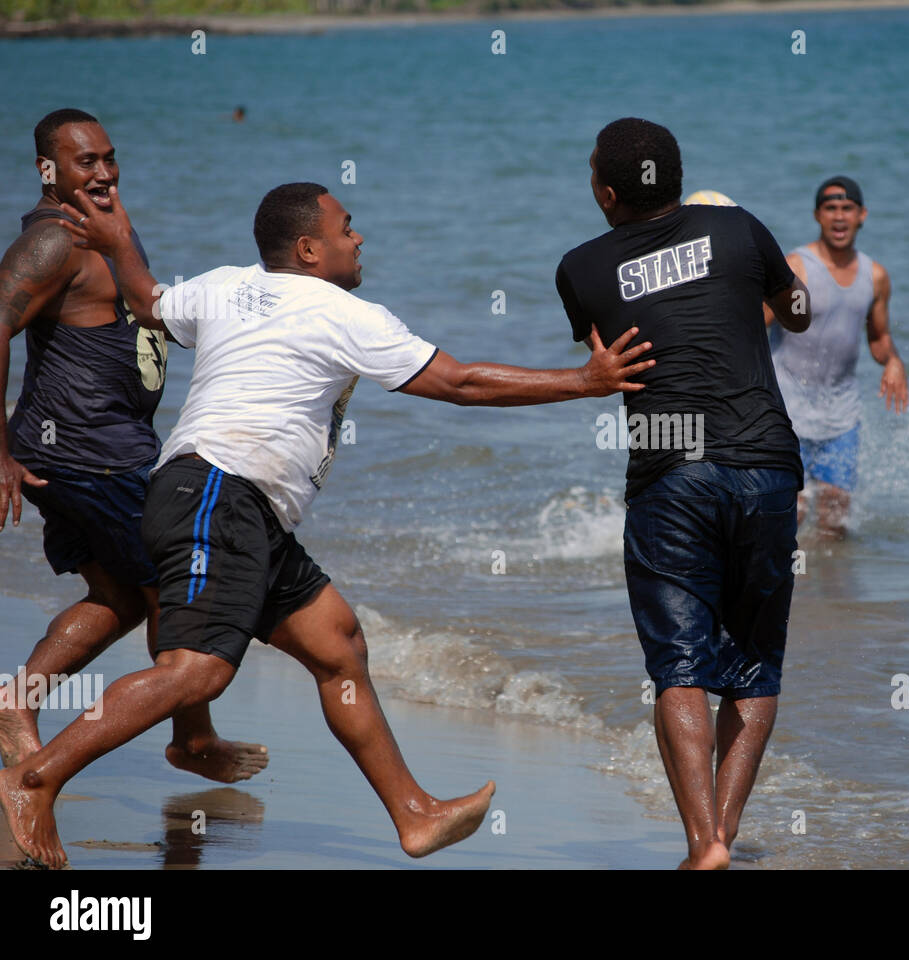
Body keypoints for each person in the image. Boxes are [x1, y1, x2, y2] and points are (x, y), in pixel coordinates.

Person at [0, 180, 654, 869]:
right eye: (348, 227)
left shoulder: (225, 286)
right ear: (310, 249)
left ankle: (414, 813)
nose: (359, 237)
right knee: (194, 671)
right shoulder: (346, 314)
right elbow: (458, 383)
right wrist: (584, 382)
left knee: (336, 643)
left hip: (226, 501)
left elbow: (148, 302)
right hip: (219, 495)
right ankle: (32, 780)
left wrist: (118, 243)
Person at [555, 118, 811, 869]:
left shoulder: (581, 266)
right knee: (756, 663)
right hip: (767, 462)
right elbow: (797, 313)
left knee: (680, 666)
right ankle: (720, 840)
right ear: (676, 176)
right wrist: (762, 294)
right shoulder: (739, 229)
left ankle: (704, 843)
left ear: (606, 191)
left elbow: (610, 354)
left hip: (671, 467)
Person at [0, 108, 266, 784]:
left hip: (106, 448)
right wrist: (0, 451)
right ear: (48, 170)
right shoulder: (53, 242)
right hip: (89, 455)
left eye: (109, 157)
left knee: (119, 595)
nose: (105, 172)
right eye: (86, 162)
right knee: (173, 587)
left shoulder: (103, 226)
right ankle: (193, 739)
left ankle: (15, 705)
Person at [764, 176, 909, 540]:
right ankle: (784, 590)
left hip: (841, 418)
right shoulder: (796, 267)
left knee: (834, 523)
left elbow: (879, 339)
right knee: (788, 516)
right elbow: (753, 324)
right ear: (817, 216)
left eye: (847, 209)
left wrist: (893, 361)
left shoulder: (875, 277)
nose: (839, 217)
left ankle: (828, 593)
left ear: (862, 215)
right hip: (787, 412)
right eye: (831, 209)